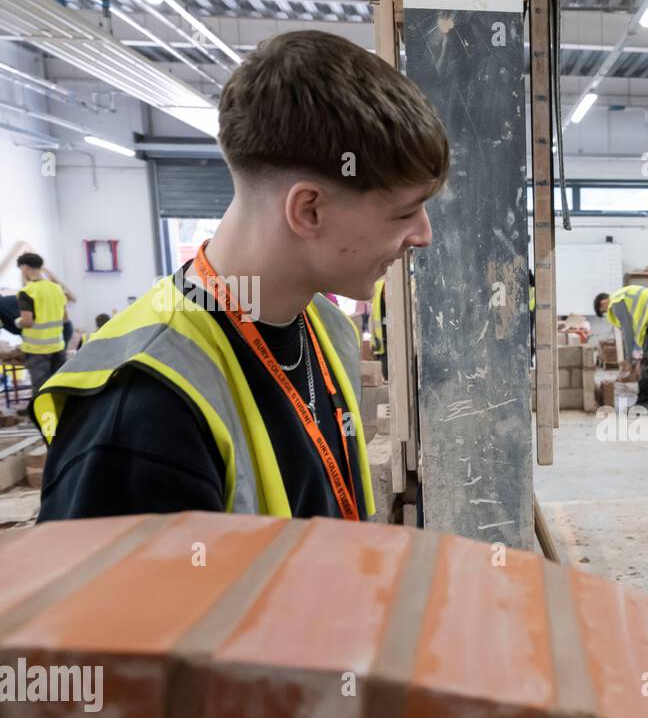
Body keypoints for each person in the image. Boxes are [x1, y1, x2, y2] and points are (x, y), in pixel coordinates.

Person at [34, 30, 449, 520]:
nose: (423, 235)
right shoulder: (144, 408)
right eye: (404, 213)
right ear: (309, 210)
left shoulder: (325, 327)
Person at [598, 285, 648, 408]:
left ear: (603, 302)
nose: (608, 313)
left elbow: (628, 331)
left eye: (604, 311)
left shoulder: (616, 302)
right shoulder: (624, 295)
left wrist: (629, 360)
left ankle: (644, 403)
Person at [15, 252, 73, 394]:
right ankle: (60, 414)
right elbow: (65, 318)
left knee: (40, 388)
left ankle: (40, 415)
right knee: (57, 385)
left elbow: (27, 321)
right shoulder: (57, 288)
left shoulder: (27, 291)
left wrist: (18, 322)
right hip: (57, 345)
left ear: (25, 267)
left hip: (37, 350)